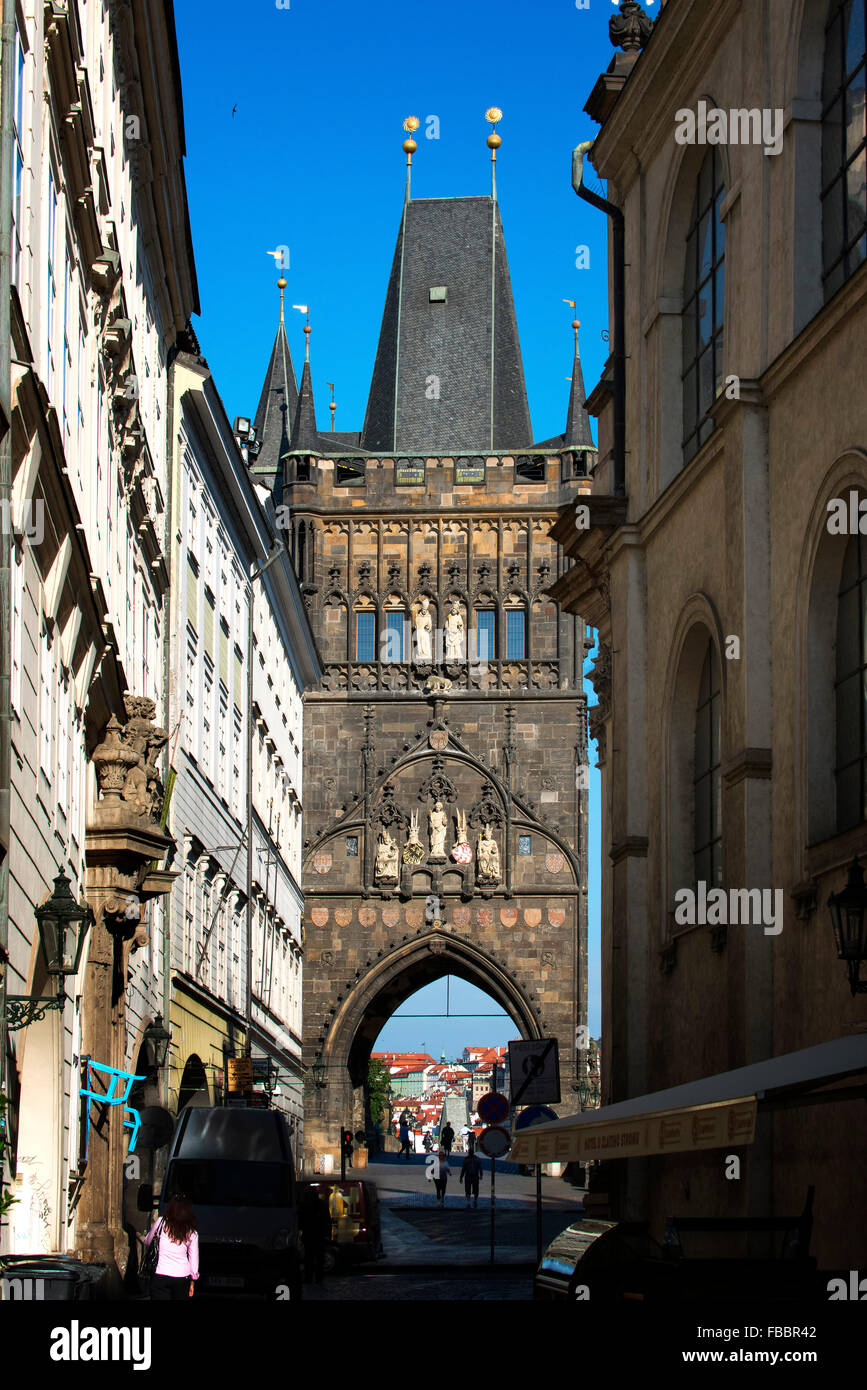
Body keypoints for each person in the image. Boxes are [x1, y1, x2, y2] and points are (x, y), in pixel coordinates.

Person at [144, 1195, 199, 1300]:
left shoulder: (161, 1222)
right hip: (182, 1276)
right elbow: (194, 1260)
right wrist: (193, 1279)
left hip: (161, 1273)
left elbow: (148, 1241)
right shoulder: (192, 1232)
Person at [300, 1186, 332, 1284]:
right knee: (318, 1259)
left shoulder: (304, 1205)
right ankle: (318, 1278)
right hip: (318, 1235)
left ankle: (309, 1277)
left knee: (309, 1258)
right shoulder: (321, 1205)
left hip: (310, 1235)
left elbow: (301, 1221)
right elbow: (327, 1221)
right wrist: (327, 1234)